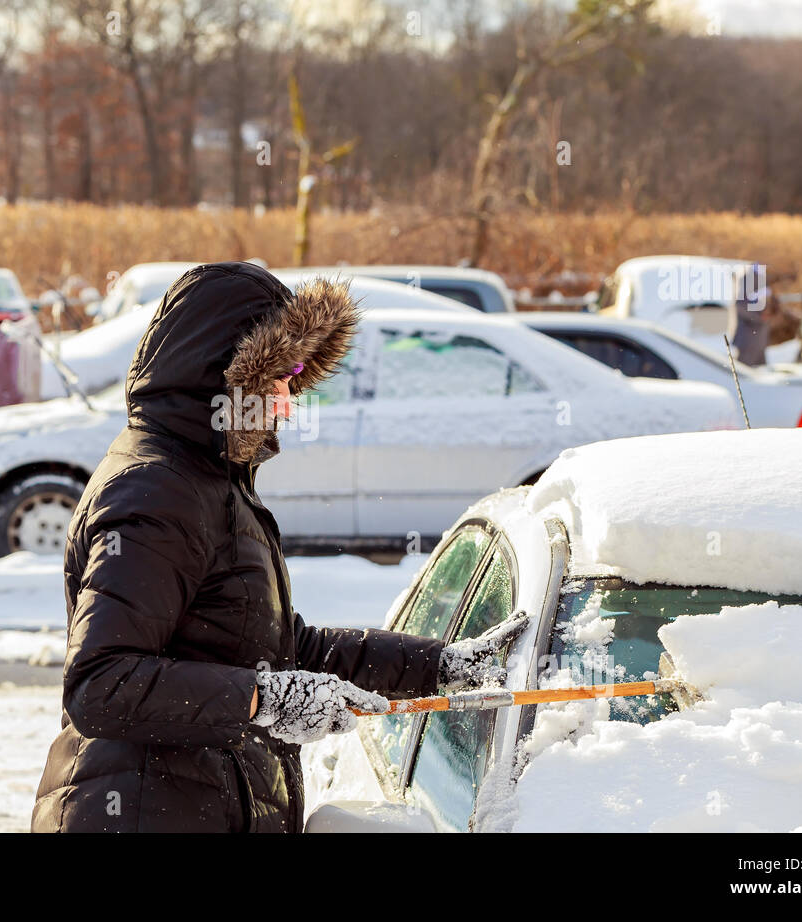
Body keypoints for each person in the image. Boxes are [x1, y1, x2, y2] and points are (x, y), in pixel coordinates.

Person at [32, 261, 525, 833]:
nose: (288, 403)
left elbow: (283, 650)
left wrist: (441, 666)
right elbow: (103, 683)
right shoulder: (155, 491)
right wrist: (261, 699)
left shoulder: (211, 482)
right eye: (281, 377)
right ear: (228, 374)